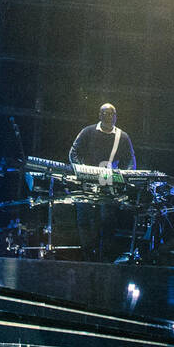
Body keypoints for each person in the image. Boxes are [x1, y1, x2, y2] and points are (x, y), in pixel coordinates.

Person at [69, 103, 135, 260]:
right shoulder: (88, 131)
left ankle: (104, 259)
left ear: (116, 116)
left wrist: (122, 177)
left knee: (107, 220)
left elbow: (130, 160)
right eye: (105, 113)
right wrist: (82, 170)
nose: (108, 116)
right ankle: (87, 257)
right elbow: (73, 152)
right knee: (84, 219)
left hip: (108, 183)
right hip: (86, 182)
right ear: (99, 115)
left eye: (112, 113)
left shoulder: (122, 137)